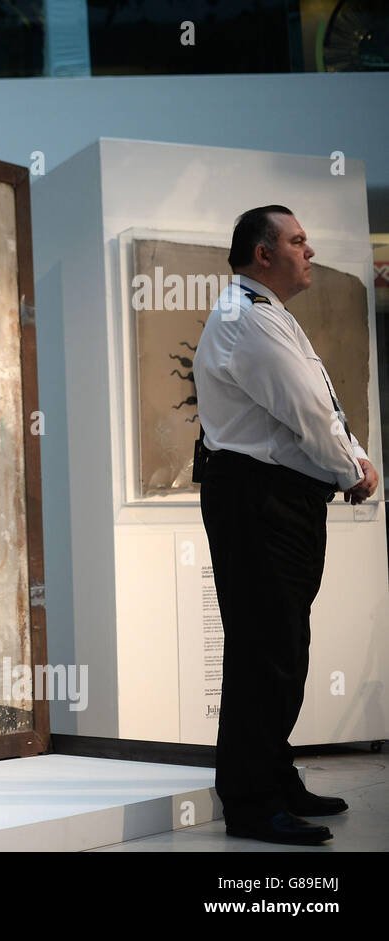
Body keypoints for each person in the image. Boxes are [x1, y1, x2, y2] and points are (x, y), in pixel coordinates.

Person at [194, 205, 379, 845]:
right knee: (266, 651)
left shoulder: (263, 314)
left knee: (277, 646)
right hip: (258, 499)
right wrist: (352, 468)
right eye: (298, 241)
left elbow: (314, 405)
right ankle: (250, 802)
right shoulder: (248, 320)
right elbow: (308, 414)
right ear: (263, 253)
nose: (310, 251)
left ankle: (272, 775)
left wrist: (342, 462)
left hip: (273, 499)